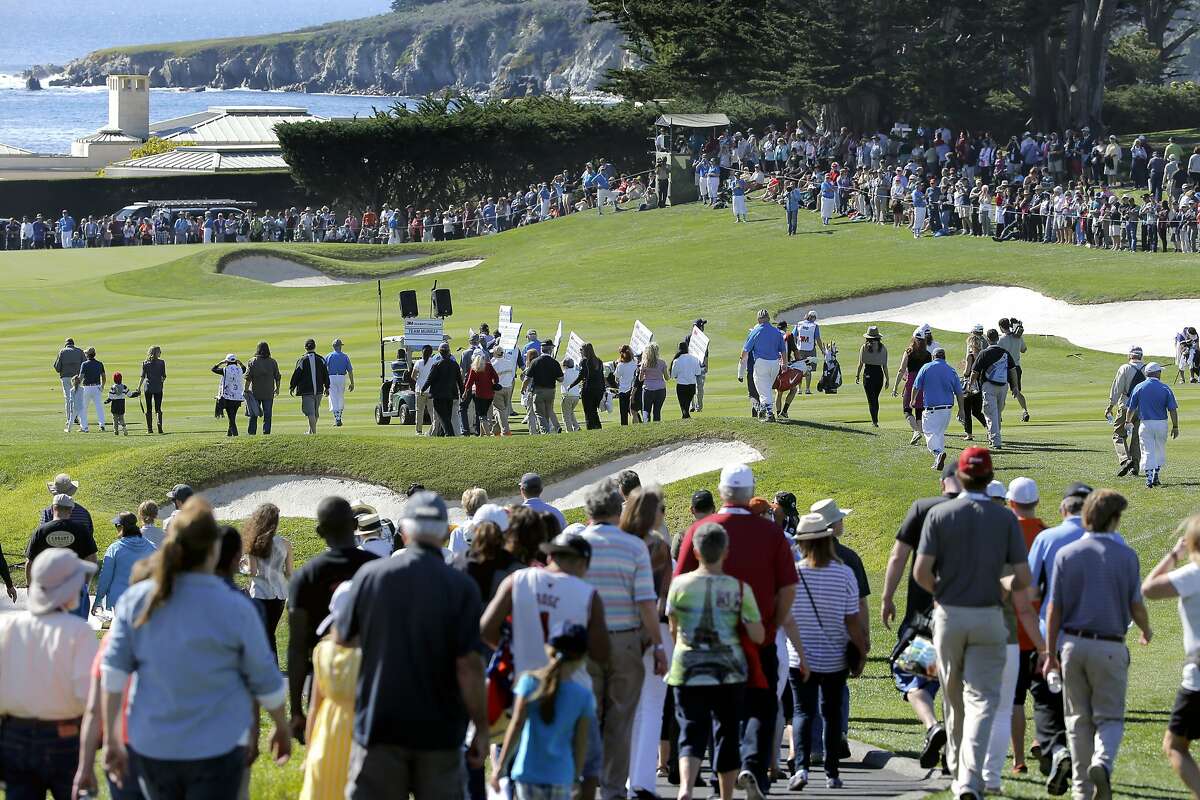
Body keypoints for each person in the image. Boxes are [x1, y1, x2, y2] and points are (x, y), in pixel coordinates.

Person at [102, 499, 291, 798]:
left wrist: (112, 738)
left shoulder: (137, 599)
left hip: (152, 744)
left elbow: (112, 675)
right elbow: (264, 678)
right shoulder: (237, 606)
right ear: (213, 550)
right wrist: (281, 724)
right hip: (216, 745)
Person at [335, 492, 488, 799]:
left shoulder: (369, 576)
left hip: (380, 726)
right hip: (440, 731)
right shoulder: (460, 585)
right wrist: (481, 729)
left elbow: (343, 642)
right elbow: (469, 667)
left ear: (403, 532)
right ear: (446, 533)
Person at [913, 447, 1034, 800]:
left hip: (950, 615)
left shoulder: (941, 513)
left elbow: (921, 572)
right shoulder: (1005, 518)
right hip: (990, 616)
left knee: (953, 698)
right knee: (984, 699)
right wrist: (1001, 586)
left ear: (961, 476)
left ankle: (958, 770)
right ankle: (970, 777)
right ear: (988, 475)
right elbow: (1023, 578)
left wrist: (943, 590)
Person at [674, 464, 798, 800]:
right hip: (758, 636)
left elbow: (679, 584)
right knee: (760, 706)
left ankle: (720, 782)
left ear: (722, 492)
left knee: (718, 712)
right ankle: (753, 767)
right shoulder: (771, 534)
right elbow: (788, 588)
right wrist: (773, 625)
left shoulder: (701, 528)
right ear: (749, 492)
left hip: (708, 637)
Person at [482, 531, 610, 800]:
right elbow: (601, 652)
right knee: (588, 768)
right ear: (582, 562)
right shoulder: (587, 593)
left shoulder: (518, 580)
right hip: (573, 689)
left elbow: (486, 628)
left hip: (523, 688)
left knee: (519, 766)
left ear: (551, 555)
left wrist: (515, 651)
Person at [1044, 490, 1150, 800]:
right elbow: (1136, 605)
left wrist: (1050, 653)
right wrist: (1146, 629)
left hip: (1072, 646)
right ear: (1114, 519)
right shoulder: (1126, 556)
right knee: (1110, 717)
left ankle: (1081, 789)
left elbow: (1054, 609)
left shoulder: (1067, 554)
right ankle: (1102, 762)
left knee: (1077, 721)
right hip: (1109, 645)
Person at [579, 478, 666, 800]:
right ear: (619, 509)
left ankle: (585, 785)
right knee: (620, 720)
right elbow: (646, 601)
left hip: (586, 643)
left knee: (588, 717)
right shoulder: (634, 547)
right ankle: (613, 790)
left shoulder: (576, 544)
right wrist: (658, 644)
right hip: (625, 641)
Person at [668, 522, 765, 800]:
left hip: (687, 668)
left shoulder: (679, 585)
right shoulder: (739, 589)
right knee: (727, 733)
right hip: (728, 670)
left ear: (695, 551)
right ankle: (725, 796)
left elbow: (674, 629)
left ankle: (686, 788)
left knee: (690, 729)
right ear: (726, 552)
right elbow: (757, 634)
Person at [0, 548, 98, 800]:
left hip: (14, 737)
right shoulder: (79, 632)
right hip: (63, 739)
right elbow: (88, 700)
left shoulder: (7, 626)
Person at [880, 463, 960, 770]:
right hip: (969, 614)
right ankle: (953, 750)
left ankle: (932, 725)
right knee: (954, 683)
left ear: (943, 484)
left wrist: (887, 597)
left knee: (912, 677)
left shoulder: (923, 507)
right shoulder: (981, 512)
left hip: (925, 617)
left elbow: (898, 555)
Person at [1026, 481, 1101, 794]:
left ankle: (1057, 749)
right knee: (1086, 705)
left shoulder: (1047, 537)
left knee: (1046, 699)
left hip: (1053, 635)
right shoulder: (1108, 539)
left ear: (1062, 509)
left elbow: (1031, 590)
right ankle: (1088, 766)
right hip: (1097, 635)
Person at [288, 497, 378, 744]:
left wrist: (296, 710)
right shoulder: (378, 569)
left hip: (325, 682)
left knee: (327, 760)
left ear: (319, 531)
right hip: (374, 683)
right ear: (354, 524)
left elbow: (296, 647)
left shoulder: (305, 577)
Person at [787, 513, 864, 790]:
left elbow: (787, 618)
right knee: (831, 714)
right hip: (834, 656)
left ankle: (802, 769)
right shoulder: (844, 574)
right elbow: (852, 621)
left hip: (801, 657)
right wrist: (861, 652)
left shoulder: (794, 575)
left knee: (802, 712)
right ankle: (832, 772)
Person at [492, 623, 597, 800]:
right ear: (582, 657)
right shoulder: (584, 696)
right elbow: (580, 743)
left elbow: (516, 725)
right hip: (561, 776)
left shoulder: (528, 683)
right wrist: (576, 777)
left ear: (548, 649)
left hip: (527, 773)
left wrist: (500, 767)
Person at [1141, 514, 1200, 800]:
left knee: (1175, 745)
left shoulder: (1193, 575)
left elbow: (1148, 588)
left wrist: (1173, 556)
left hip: (1198, 677)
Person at [301, 582, 360, 800]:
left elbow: (314, 707)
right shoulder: (374, 657)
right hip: (361, 738)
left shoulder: (323, 652)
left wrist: (308, 752)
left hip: (326, 738)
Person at [1005, 476, 1048, 777]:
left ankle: (1018, 759)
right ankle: (1041, 739)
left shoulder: (1004, 536)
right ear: (1035, 502)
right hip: (1045, 627)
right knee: (1044, 695)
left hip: (1013, 629)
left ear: (1010, 502)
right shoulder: (1047, 535)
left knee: (1015, 698)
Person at [29, 492, 98, 620]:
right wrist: (85, 583)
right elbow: (92, 560)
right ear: (71, 510)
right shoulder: (82, 530)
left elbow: (30, 563)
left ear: (53, 508)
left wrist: (30, 586)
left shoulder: (41, 531)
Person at [241, 503, 292, 664]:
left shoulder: (254, 543)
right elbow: (289, 572)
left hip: (260, 593)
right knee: (269, 633)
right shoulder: (285, 543)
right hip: (280, 594)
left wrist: (242, 567)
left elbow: (252, 571)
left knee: (263, 634)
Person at [1128, 361, 1180, 488]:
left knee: (1147, 450)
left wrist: (1127, 421)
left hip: (1145, 424)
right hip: (1161, 424)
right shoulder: (1165, 388)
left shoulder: (1139, 387)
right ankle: (1155, 475)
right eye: (1160, 371)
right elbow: (1172, 409)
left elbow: (1131, 407)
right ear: (1157, 373)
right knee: (1159, 449)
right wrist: (1175, 426)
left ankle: (1149, 478)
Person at [92, 512, 156, 614]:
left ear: (120, 527)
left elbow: (105, 577)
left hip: (119, 601)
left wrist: (98, 600)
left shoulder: (114, 549)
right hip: (144, 599)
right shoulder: (151, 547)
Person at [913, 347, 963, 471]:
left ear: (933, 357)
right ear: (944, 357)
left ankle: (938, 453)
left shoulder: (926, 367)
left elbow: (916, 386)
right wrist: (961, 409)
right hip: (947, 409)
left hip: (932, 408)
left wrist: (912, 400)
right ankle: (938, 462)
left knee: (929, 432)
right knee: (939, 434)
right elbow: (959, 392)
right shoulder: (951, 370)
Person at [970, 330, 1017, 450]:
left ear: (987, 339)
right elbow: (1012, 370)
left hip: (988, 386)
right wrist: (1015, 386)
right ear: (997, 338)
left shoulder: (983, 353)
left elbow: (974, 372)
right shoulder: (1005, 352)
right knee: (997, 413)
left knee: (991, 414)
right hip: (1003, 386)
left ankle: (995, 441)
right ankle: (994, 436)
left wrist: (970, 385)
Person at [740, 309, 787, 422]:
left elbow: (745, 350)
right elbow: (783, 350)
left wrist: (742, 362)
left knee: (762, 388)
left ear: (758, 319)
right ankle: (763, 409)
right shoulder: (777, 332)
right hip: (775, 364)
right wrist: (784, 364)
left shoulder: (756, 331)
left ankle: (769, 414)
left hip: (761, 363)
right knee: (766, 388)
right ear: (769, 318)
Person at [894, 334, 932, 445]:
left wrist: (895, 386)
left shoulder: (909, 352)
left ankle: (916, 431)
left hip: (912, 382)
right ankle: (919, 434)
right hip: (923, 383)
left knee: (907, 410)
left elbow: (902, 369)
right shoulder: (928, 354)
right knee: (919, 410)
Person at [290, 339, 331, 435]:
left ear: (305, 348)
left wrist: (292, 386)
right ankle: (311, 431)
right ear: (314, 347)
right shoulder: (321, 359)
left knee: (311, 413)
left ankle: (314, 433)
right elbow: (326, 374)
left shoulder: (302, 360)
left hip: (307, 391)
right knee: (315, 412)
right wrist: (327, 387)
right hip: (319, 390)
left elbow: (297, 374)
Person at [427, 342, 465, 437]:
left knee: (440, 416)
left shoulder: (436, 360)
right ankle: (444, 433)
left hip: (439, 393)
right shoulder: (453, 362)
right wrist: (462, 392)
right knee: (448, 416)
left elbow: (431, 378)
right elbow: (459, 380)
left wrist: (425, 389)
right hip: (451, 392)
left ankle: (445, 433)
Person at [525, 340, 563, 434]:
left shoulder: (535, 362)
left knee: (539, 412)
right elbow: (561, 379)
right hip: (551, 391)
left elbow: (527, 378)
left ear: (542, 349)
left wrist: (523, 389)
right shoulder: (554, 362)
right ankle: (556, 427)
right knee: (548, 410)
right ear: (550, 350)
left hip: (538, 391)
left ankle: (545, 431)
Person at [997, 318, 1031, 422]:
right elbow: (1024, 350)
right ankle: (1025, 411)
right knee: (1017, 391)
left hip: (1004, 368)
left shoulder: (1001, 339)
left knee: (1001, 392)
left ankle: (998, 414)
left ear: (1002, 327)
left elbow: (997, 352)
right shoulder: (1018, 337)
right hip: (1016, 367)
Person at [246, 341, 282, 436]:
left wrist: (246, 390)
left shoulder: (252, 361)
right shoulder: (272, 362)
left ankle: (251, 433)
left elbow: (248, 378)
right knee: (268, 414)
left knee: (253, 414)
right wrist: (277, 388)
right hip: (268, 392)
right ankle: (266, 433)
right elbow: (277, 377)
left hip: (255, 393)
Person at [855, 326, 889, 426]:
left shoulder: (864, 347)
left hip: (868, 373)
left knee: (871, 399)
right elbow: (884, 366)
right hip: (879, 374)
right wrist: (887, 379)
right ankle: (875, 420)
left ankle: (874, 421)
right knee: (875, 398)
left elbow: (860, 363)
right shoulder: (883, 348)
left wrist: (857, 375)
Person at [462, 353, 499, 436]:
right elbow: (496, 378)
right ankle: (481, 435)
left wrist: (465, 392)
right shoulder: (488, 366)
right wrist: (494, 384)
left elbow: (469, 382)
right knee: (484, 413)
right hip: (490, 394)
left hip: (479, 394)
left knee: (482, 416)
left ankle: (488, 434)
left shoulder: (474, 368)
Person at [573, 342, 607, 430]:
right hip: (598, 390)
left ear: (585, 351)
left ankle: (591, 429)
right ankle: (598, 427)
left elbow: (581, 376)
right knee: (594, 411)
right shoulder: (599, 361)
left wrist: (571, 385)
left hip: (588, 389)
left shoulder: (584, 361)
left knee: (588, 412)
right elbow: (601, 377)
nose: (580, 351)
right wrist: (603, 390)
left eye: (581, 350)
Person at [53, 337, 84, 432]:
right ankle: (78, 417)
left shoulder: (62, 351)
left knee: (68, 397)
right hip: (77, 378)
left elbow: (57, 367)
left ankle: (69, 418)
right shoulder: (80, 351)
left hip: (65, 377)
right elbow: (84, 364)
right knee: (78, 397)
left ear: (66, 344)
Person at [212, 354, 246, 436]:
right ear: (235, 361)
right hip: (238, 398)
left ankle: (236, 435)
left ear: (227, 361)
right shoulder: (239, 370)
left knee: (231, 419)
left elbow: (213, 369)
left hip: (228, 398)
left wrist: (221, 362)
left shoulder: (225, 370)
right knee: (232, 416)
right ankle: (229, 435)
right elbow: (244, 369)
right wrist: (240, 363)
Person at [793, 311, 826, 395]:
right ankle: (807, 389)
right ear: (813, 317)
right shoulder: (815, 326)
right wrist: (822, 350)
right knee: (808, 369)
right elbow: (818, 339)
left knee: (799, 369)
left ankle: (799, 389)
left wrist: (793, 348)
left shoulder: (799, 324)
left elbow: (793, 336)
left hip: (799, 350)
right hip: (810, 350)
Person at [137, 344, 167, 435]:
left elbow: (142, 377)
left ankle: (149, 429)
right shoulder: (161, 362)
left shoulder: (145, 363)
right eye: (159, 351)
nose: (161, 353)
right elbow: (164, 376)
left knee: (149, 408)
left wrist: (138, 387)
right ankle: (159, 425)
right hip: (158, 387)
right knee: (158, 408)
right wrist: (160, 381)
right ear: (156, 353)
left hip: (148, 388)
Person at [76, 346, 107, 433]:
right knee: (99, 407)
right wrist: (102, 386)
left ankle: (84, 427)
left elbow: (81, 378)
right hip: (97, 387)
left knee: (83, 408)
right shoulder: (99, 364)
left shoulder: (84, 364)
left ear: (87, 355)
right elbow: (104, 377)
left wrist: (76, 385)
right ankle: (102, 425)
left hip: (86, 388)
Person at [326, 338, 355, 427]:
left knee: (333, 398)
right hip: (341, 378)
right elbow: (350, 370)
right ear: (340, 347)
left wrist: (324, 384)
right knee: (340, 397)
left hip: (331, 377)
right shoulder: (345, 356)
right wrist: (352, 383)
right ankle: (338, 418)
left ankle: (337, 418)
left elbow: (324, 371)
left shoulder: (329, 356)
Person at [669, 341, 702, 419]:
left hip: (681, 385)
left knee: (684, 405)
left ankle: (686, 417)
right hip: (692, 385)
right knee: (686, 405)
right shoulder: (694, 359)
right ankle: (686, 418)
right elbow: (698, 372)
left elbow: (673, 375)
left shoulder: (676, 360)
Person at [638, 343, 669, 423]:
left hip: (648, 389)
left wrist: (646, 376)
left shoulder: (644, 363)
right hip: (660, 389)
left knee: (646, 410)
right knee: (657, 411)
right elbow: (667, 378)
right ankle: (656, 429)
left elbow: (640, 379)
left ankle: (646, 426)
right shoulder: (662, 362)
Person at [614, 345, 639, 425]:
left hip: (622, 391)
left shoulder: (620, 365)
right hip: (632, 390)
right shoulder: (635, 363)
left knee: (623, 414)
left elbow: (616, 379)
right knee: (634, 412)